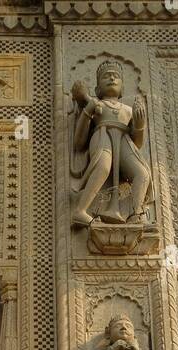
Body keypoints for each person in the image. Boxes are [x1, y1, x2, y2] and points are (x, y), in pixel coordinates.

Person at [71, 60, 151, 227]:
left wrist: (140, 124)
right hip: (102, 135)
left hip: (124, 140)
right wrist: (88, 110)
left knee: (141, 173)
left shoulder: (128, 109)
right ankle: (80, 211)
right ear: (97, 87)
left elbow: (137, 142)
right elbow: (79, 142)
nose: (112, 79)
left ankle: (136, 213)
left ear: (122, 86)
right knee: (103, 168)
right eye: (106, 76)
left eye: (116, 76)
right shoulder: (96, 104)